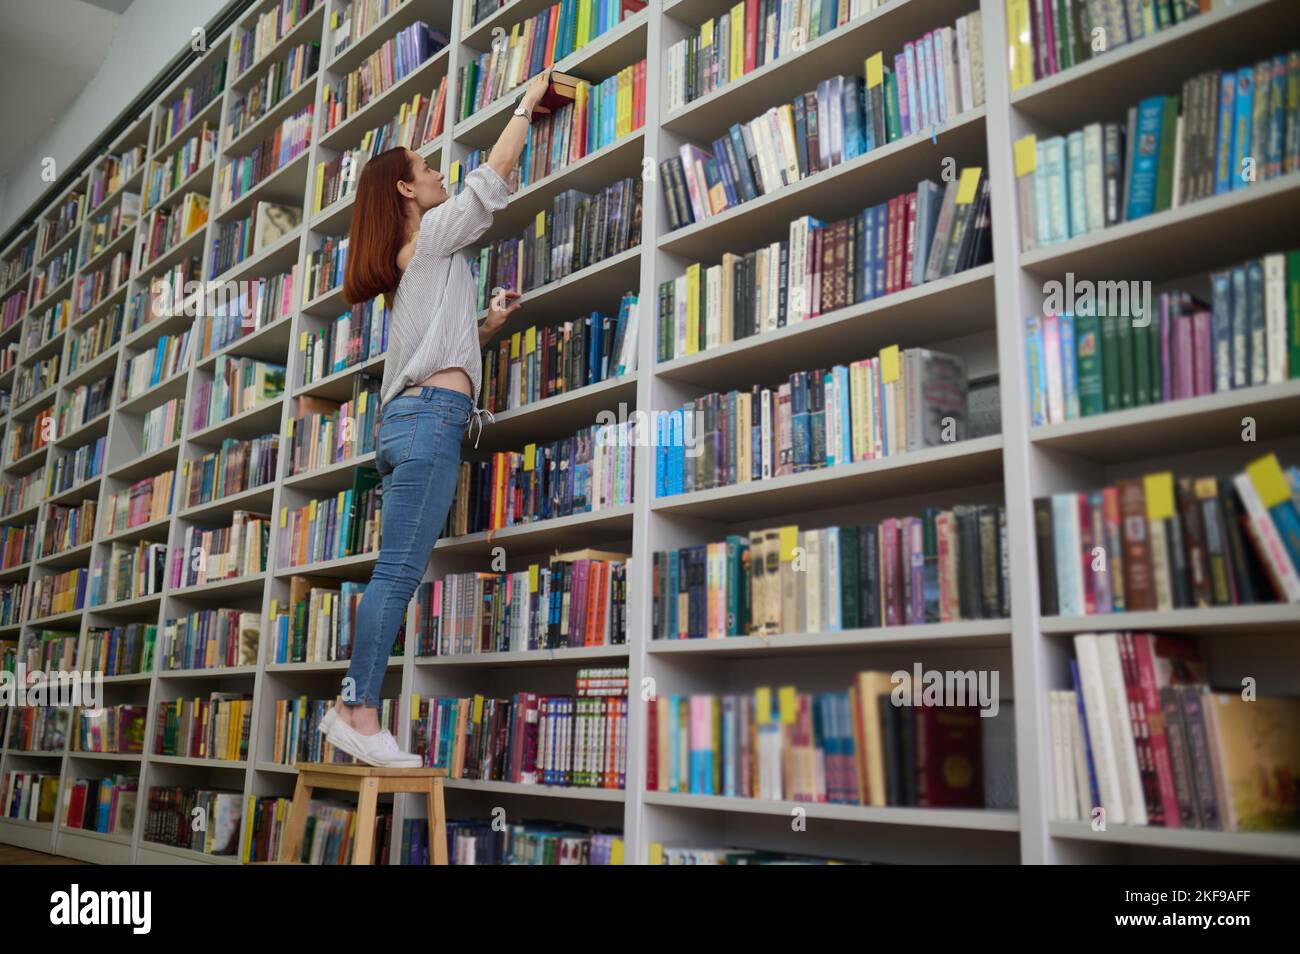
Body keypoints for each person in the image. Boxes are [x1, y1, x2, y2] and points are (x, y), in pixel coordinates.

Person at [317, 69, 553, 766]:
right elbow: (495, 175)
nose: (439, 173)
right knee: (396, 574)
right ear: (405, 191)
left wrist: (483, 327)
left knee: (393, 570)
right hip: (429, 423)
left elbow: (427, 354)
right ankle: (355, 709)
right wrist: (525, 103)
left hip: (408, 422)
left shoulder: (415, 265)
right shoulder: (431, 241)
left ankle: (354, 708)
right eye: (426, 168)